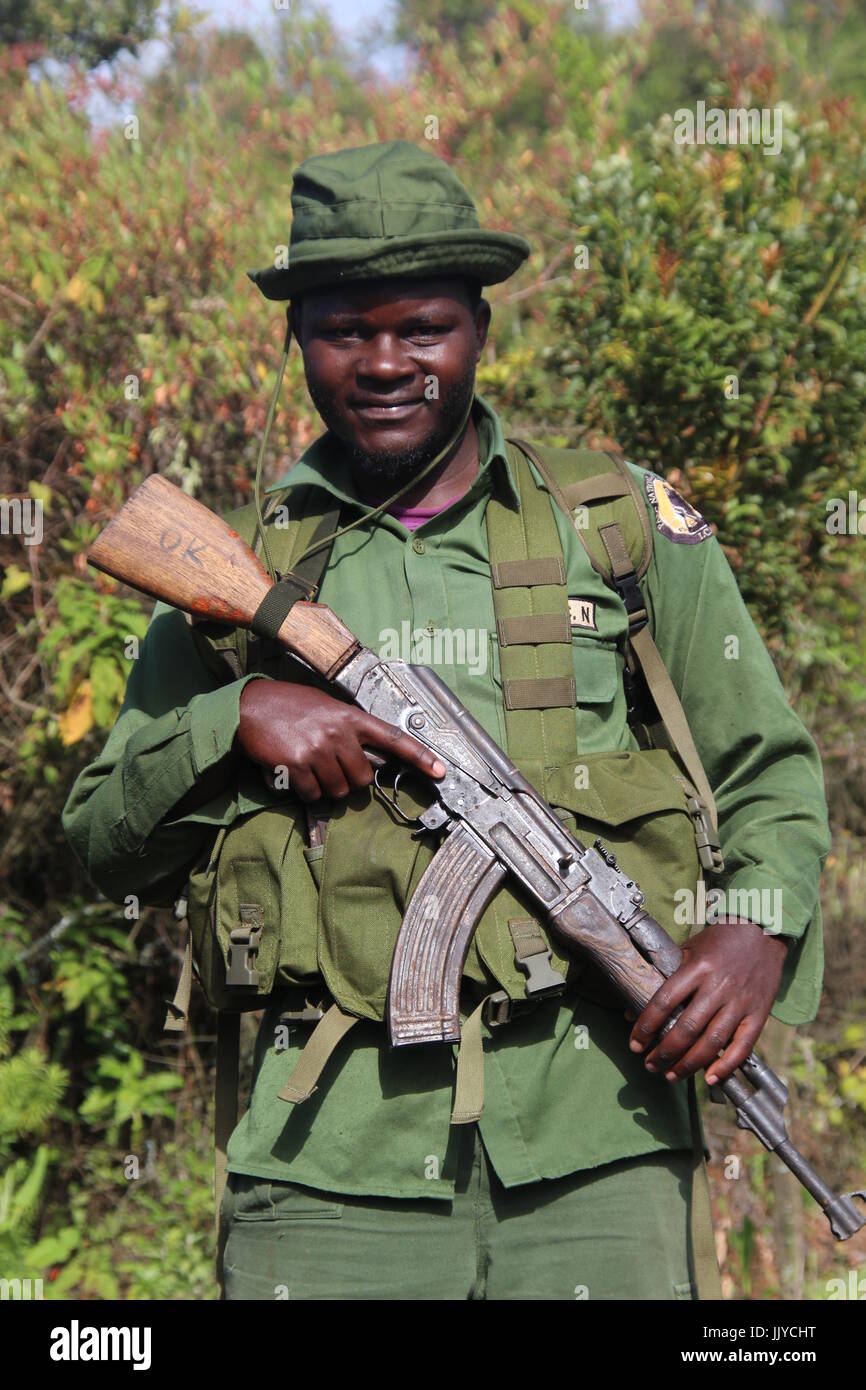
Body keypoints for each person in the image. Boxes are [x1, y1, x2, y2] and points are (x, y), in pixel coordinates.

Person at [63, 139, 830, 1301]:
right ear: (294, 337)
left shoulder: (614, 527)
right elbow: (99, 840)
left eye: (421, 326)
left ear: (478, 327)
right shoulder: (242, 576)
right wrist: (234, 717)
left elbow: (764, 767)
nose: (383, 362)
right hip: (330, 1163)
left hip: (600, 1141)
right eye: (342, 329)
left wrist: (754, 935)